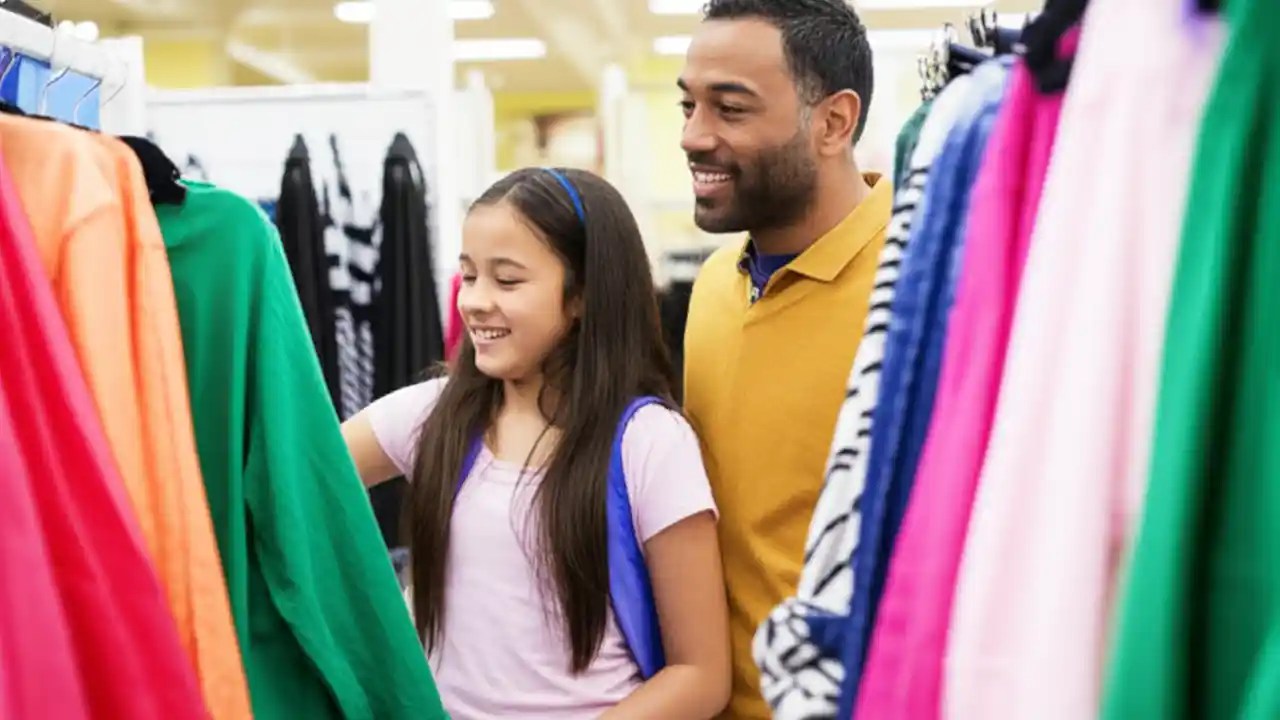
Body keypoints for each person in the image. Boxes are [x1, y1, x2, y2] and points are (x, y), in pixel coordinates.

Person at [341, 167, 732, 719]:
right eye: (468, 276)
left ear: (582, 297)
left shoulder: (649, 443)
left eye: (507, 280)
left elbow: (701, 675)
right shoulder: (432, 414)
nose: (474, 301)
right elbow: (296, 480)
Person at [676, 0, 890, 716]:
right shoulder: (711, 287)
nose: (693, 137)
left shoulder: (920, 288)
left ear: (833, 121)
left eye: (729, 110)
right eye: (688, 106)